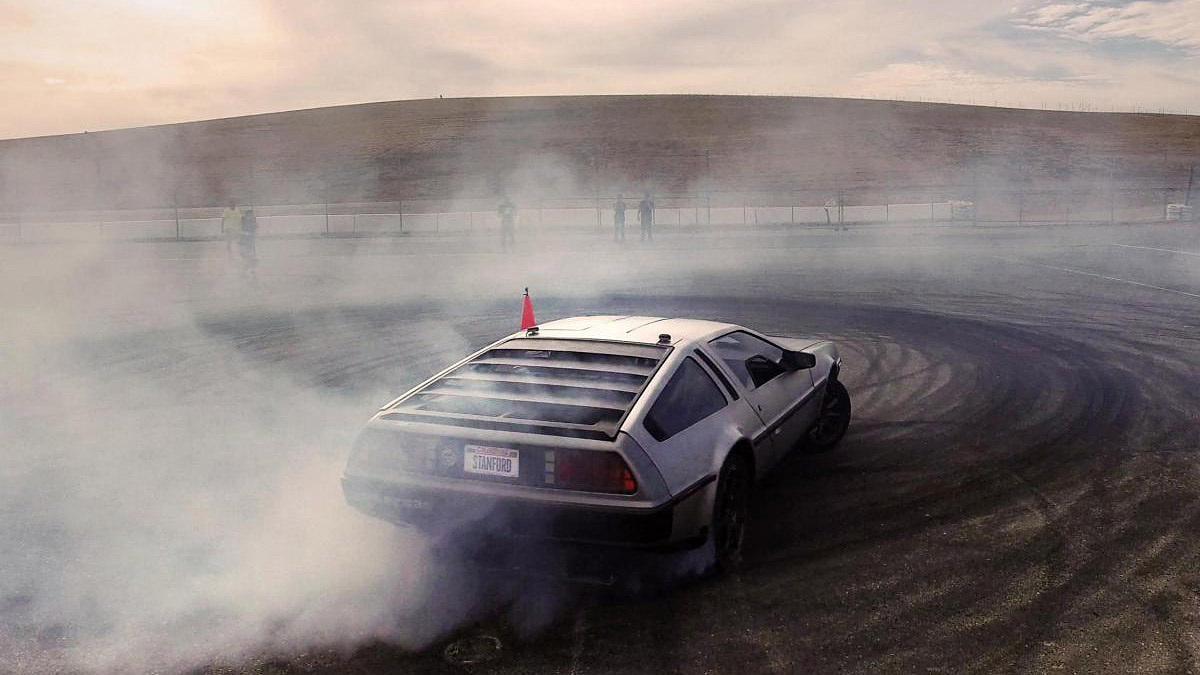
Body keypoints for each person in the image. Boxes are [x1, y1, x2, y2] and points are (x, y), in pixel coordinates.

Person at [239, 206, 258, 273]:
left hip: (250, 238)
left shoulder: (253, 219)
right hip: (245, 238)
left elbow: (255, 228)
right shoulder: (243, 219)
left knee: (250, 251)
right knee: (246, 253)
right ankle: (247, 268)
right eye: (249, 214)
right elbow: (241, 228)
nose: (250, 215)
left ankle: (249, 268)